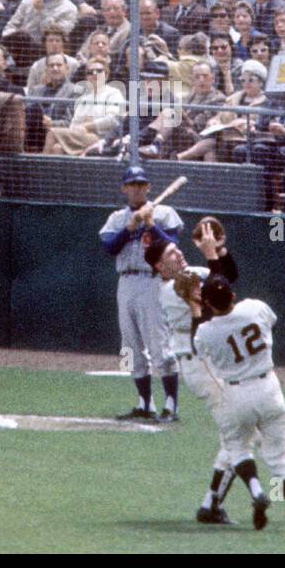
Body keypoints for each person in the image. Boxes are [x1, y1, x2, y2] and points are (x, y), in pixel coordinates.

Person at [193, 274, 285, 534]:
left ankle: (256, 489)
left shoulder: (205, 332)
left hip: (235, 392)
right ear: (232, 295)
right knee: (282, 455)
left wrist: (197, 309)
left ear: (207, 302)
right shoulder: (254, 307)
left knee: (237, 447)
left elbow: (200, 349)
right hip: (268, 386)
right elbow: (271, 323)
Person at [144, 223, 240, 525]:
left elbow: (227, 280)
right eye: (172, 253)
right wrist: (211, 255)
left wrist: (219, 251)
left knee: (241, 431)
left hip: (209, 363)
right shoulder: (173, 288)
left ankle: (213, 502)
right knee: (239, 431)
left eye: (177, 247)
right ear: (161, 267)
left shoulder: (188, 275)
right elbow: (212, 306)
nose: (179, 252)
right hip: (200, 364)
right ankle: (213, 504)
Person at [98, 166, 183, 422]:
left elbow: (172, 245)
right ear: (124, 188)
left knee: (159, 344)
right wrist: (129, 227)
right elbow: (110, 247)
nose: (136, 188)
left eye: (141, 184)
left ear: (148, 187)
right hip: (126, 282)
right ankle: (145, 404)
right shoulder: (116, 218)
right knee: (131, 347)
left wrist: (149, 224)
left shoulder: (165, 213)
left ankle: (171, 405)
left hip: (152, 281)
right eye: (131, 184)